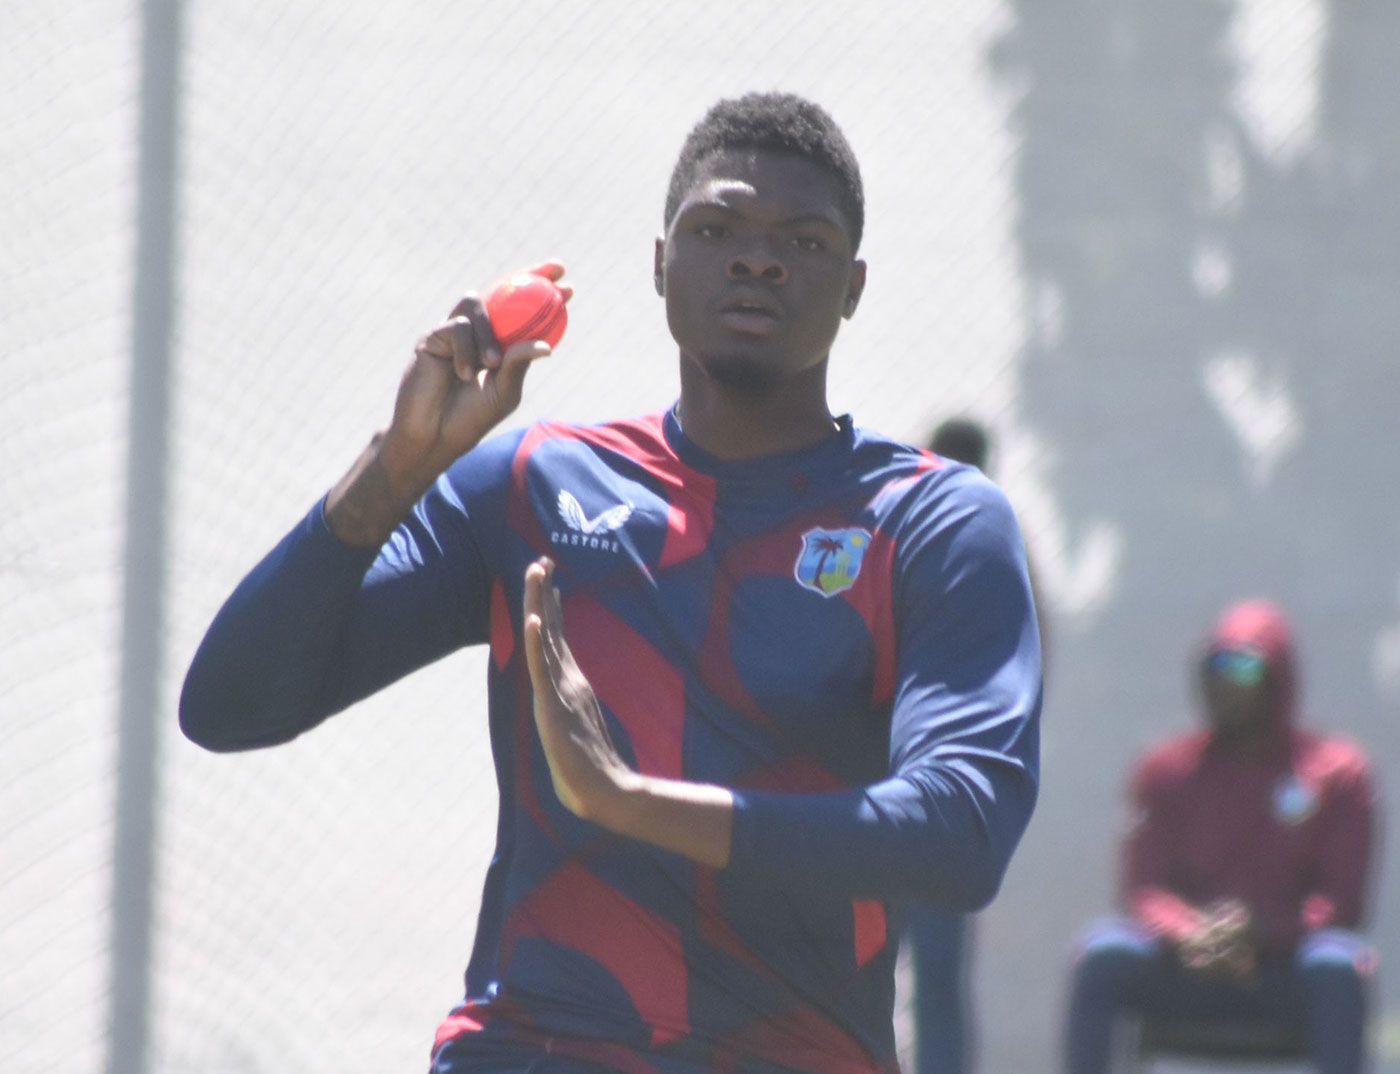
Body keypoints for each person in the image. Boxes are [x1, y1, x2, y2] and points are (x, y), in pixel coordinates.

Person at [180, 93, 1042, 1074]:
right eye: (715, 229)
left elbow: (962, 832)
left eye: (801, 242)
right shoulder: (526, 484)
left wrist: (631, 802)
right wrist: (397, 466)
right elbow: (230, 707)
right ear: (659, 264)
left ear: (852, 288)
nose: (756, 260)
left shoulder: (930, 520)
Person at [1062, 599, 1378, 1074]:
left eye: (1244, 669)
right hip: (1188, 963)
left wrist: (1265, 932)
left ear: (1278, 677)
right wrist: (1192, 932)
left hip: (1284, 968)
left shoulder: (1338, 774)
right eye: (1215, 668)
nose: (1226, 684)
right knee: (1103, 953)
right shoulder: (1165, 770)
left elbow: (1342, 903)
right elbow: (1144, 890)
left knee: (1339, 966)